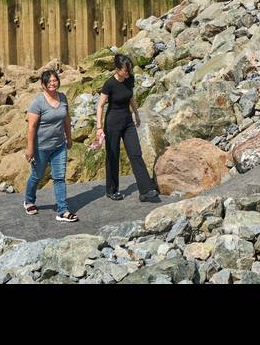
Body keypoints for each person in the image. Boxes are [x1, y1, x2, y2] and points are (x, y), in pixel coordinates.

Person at [95, 54, 161, 203]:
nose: (128, 73)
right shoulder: (109, 84)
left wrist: (136, 114)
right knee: (113, 155)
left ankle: (146, 190)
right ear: (118, 69)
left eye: (129, 69)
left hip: (127, 122)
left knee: (135, 153)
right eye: (125, 70)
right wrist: (99, 127)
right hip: (112, 123)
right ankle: (112, 189)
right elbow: (100, 105)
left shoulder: (129, 79)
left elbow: (131, 97)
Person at [24, 69, 79, 222]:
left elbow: (66, 119)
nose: (52, 83)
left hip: (59, 145)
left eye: (55, 80)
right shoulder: (38, 102)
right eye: (49, 82)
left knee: (59, 177)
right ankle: (29, 200)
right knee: (37, 175)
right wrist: (30, 149)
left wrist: (69, 137)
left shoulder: (63, 98)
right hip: (40, 147)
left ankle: (62, 210)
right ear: (43, 85)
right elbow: (32, 127)